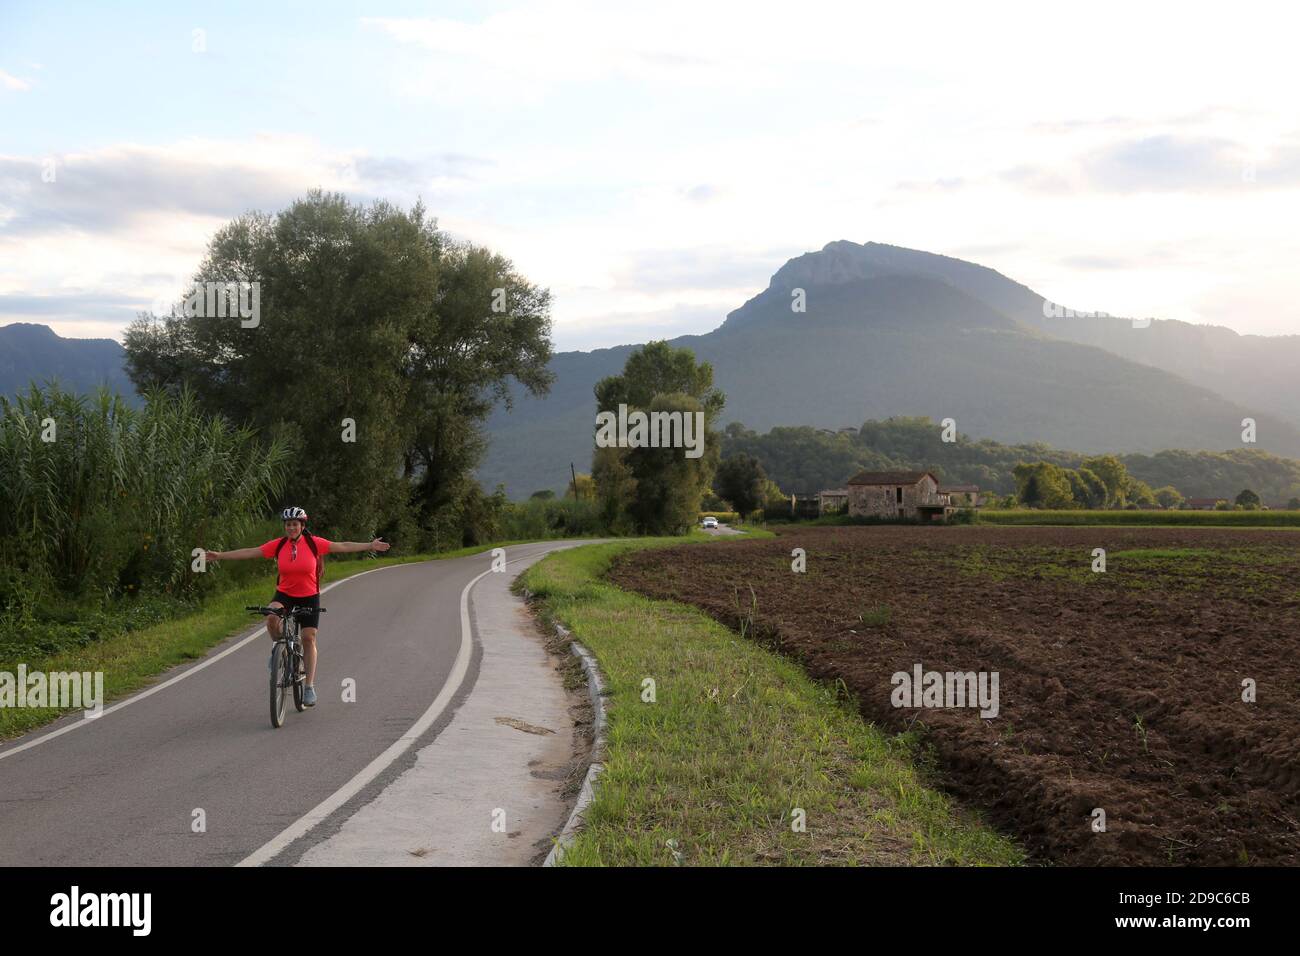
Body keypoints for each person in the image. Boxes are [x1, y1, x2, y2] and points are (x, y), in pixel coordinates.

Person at [203, 507, 391, 707]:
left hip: (309, 596)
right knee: (271, 617)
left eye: (295, 524)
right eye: (288, 525)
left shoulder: (314, 543)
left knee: (308, 638)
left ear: (302, 526)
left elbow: (342, 545)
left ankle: (308, 686)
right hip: (285, 594)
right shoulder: (279, 545)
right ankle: (278, 649)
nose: (291, 528)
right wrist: (220, 555)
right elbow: (252, 551)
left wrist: (370, 545)